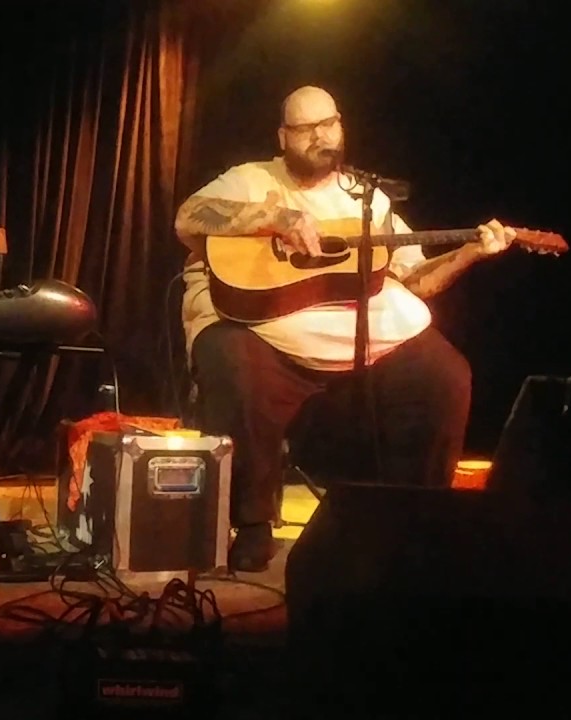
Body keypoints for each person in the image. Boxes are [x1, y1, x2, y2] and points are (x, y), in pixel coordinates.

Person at [174, 86, 516, 572]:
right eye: (306, 128)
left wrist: (471, 253)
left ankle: (411, 517)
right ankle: (251, 524)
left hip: (354, 324)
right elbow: (189, 217)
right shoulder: (250, 179)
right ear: (283, 135)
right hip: (262, 321)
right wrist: (273, 217)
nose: (320, 136)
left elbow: (415, 280)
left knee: (444, 375)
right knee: (232, 361)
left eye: (329, 123)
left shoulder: (367, 200)